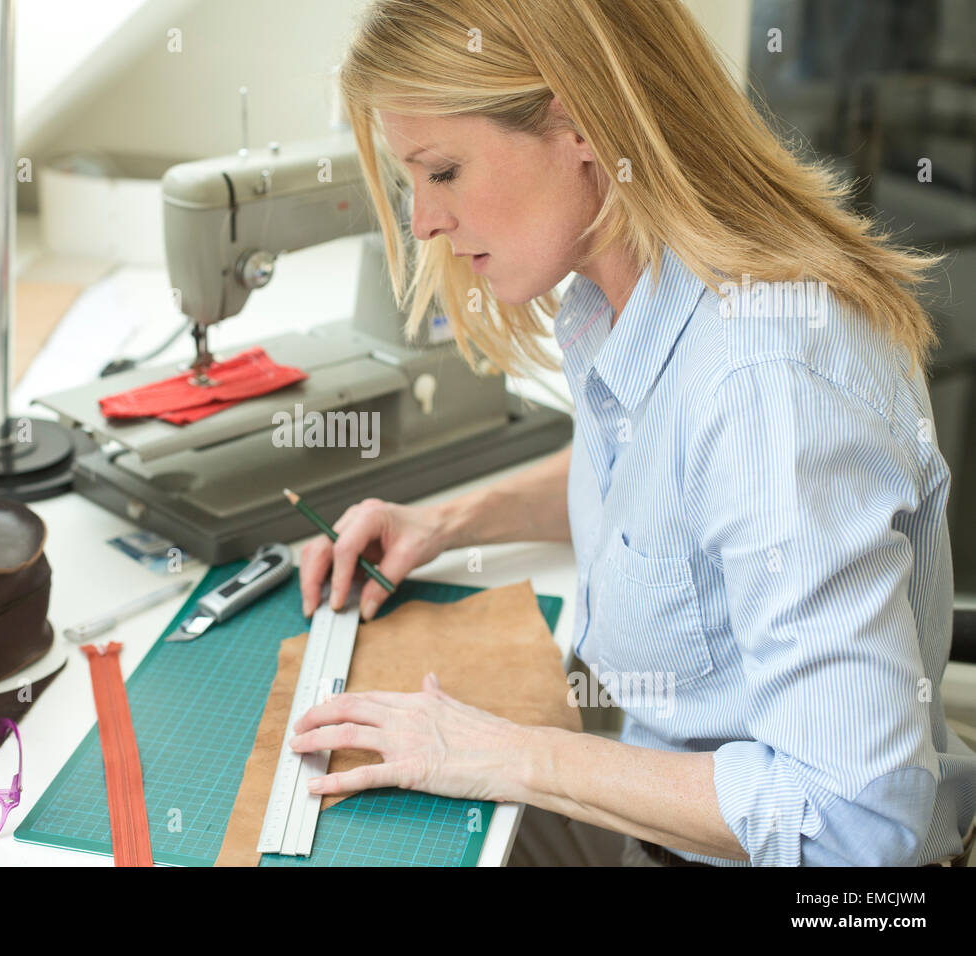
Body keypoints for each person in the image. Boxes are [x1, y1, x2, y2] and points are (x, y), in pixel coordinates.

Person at [291, 0, 976, 866]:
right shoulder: (640, 297)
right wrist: (454, 522)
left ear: (578, 125)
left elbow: (857, 820)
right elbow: (665, 478)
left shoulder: (765, 387)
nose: (423, 220)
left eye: (444, 171)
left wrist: (499, 753)